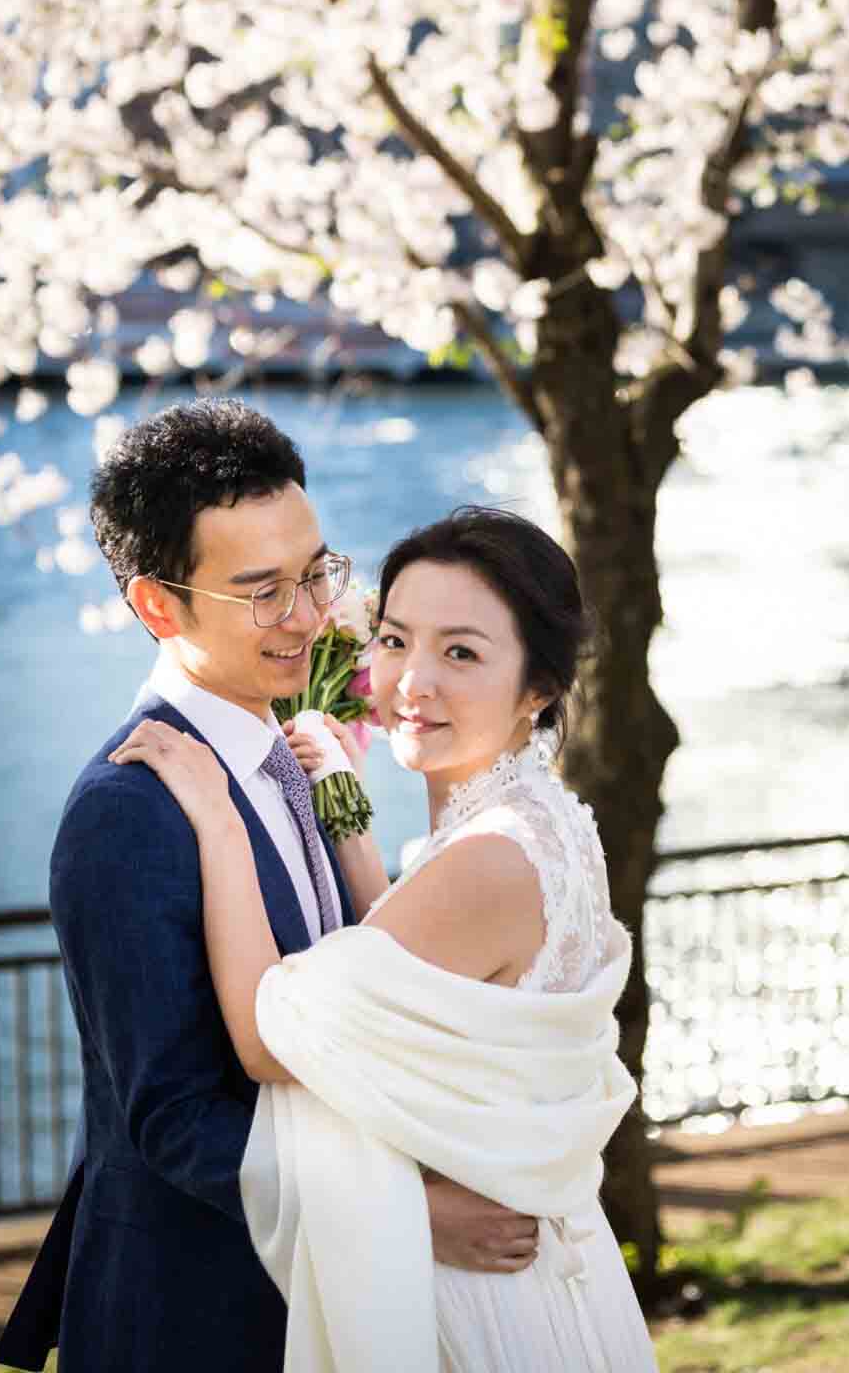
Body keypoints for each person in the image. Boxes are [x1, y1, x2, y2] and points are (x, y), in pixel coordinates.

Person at [0, 404, 539, 1373]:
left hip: (326, 1302)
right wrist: (413, 1212)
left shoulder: (290, 750)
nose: (310, 617)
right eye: (263, 593)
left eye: (316, 574)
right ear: (159, 607)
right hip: (200, 1318)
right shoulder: (128, 811)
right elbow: (176, 1119)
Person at [109, 504, 659, 1373]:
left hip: (478, 1295)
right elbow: (422, 973)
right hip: (544, 1269)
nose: (412, 683)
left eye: (462, 653)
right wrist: (348, 819)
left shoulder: (489, 861)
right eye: (397, 640)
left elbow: (267, 1040)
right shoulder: (546, 821)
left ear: (539, 688)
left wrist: (220, 820)